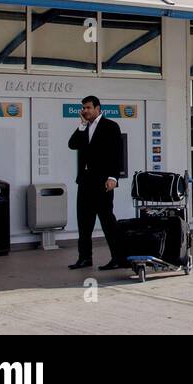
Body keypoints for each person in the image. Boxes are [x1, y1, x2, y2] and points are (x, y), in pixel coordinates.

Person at [68, 95, 125, 270]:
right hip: (85, 182)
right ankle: (85, 258)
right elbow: (72, 144)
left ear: (98, 108)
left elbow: (117, 153)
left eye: (88, 108)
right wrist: (82, 125)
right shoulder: (84, 127)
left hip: (102, 182)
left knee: (107, 221)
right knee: (84, 222)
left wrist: (113, 177)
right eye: (83, 108)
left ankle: (118, 258)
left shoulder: (110, 126)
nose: (85, 111)